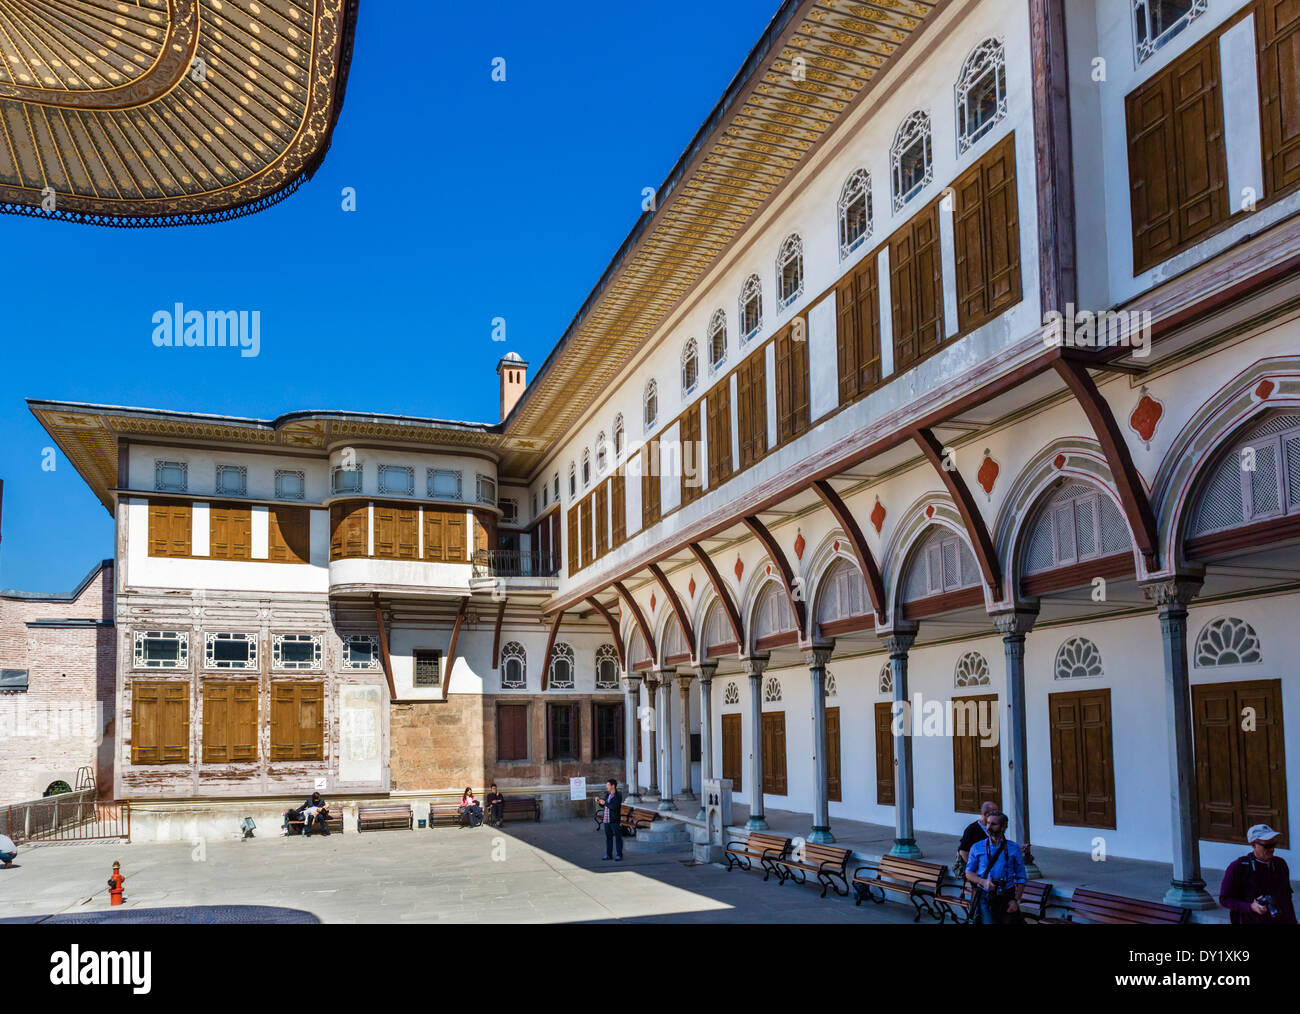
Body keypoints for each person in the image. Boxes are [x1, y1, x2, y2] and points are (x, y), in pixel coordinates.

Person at [1218, 824, 1297, 924]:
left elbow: (1287, 899)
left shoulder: (1280, 864)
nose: (1272, 849)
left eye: (1273, 844)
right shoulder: (1238, 867)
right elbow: (1225, 899)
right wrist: (1250, 906)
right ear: (1253, 845)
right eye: (1267, 846)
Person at [965, 811, 1027, 924]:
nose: (989, 827)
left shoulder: (1013, 848)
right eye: (988, 823)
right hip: (986, 896)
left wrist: (1016, 900)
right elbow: (969, 873)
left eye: (993, 824)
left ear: (1003, 827)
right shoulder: (977, 847)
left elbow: (1021, 877)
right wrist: (983, 882)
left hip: (1007, 895)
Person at [956, 800, 997, 875]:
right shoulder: (972, 830)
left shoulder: (995, 827)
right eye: (995, 813)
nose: (998, 816)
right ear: (986, 814)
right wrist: (976, 869)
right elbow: (963, 852)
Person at [594, 778, 623, 861]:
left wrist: (605, 803)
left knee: (618, 838)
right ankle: (608, 855)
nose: (606, 787)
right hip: (606, 820)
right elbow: (605, 806)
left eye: (608, 785)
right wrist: (599, 802)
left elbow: (614, 807)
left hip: (614, 820)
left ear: (613, 786)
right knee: (608, 838)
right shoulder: (608, 795)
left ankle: (619, 855)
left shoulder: (618, 795)